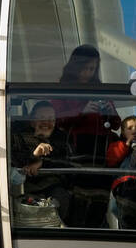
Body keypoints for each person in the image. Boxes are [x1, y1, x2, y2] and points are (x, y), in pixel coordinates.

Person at [51, 45, 120, 228]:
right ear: (76, 66)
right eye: (86, 68)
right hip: (77, 149)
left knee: (100, 195)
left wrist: (110, 110)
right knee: (78, 195)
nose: (89, 73)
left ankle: (95, 227)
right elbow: (57, 119)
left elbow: (116, 124)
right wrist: (81, 111)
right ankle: (76, 228)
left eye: (93, 69)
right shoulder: (63, 87)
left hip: (101, 150)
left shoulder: (99, 88)